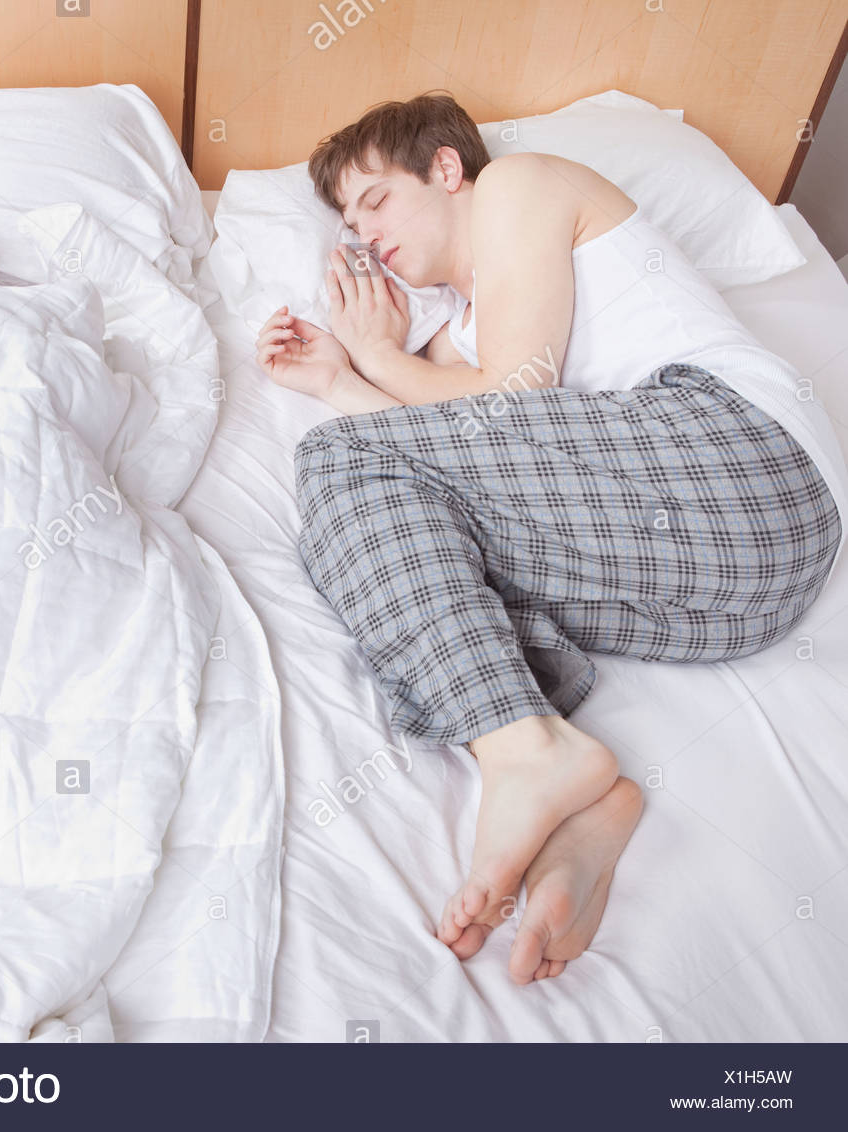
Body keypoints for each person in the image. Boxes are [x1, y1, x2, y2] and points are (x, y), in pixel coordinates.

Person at [256, 92, 847, 984]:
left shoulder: (518, 188)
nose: (362, 234)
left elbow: (517, 392)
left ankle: (523, 752)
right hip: (731, 600)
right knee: (410, 552)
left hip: (742, 461)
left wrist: (378, 361)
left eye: (374, 199)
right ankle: (575, 798)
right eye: (345, 221)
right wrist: (339, 376)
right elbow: (416, 455)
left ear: (447, 169)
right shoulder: (454, 339)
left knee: (339, 464)